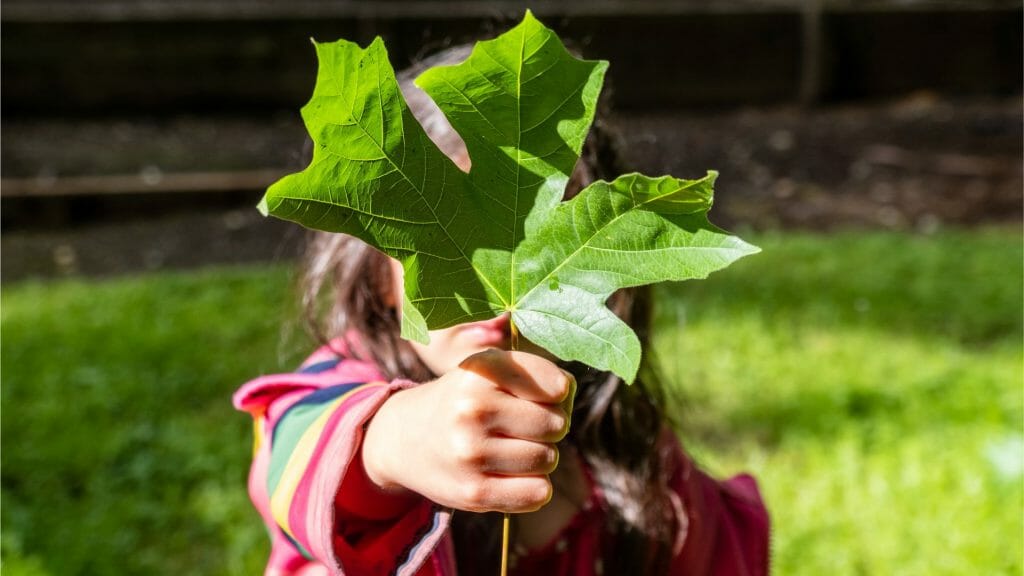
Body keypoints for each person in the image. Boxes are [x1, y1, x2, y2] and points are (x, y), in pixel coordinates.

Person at [234, 45, 769, 576]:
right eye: (449, 243)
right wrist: (392, 444)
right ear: (379, 275)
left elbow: (718, 549)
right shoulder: (339, 387)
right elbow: (292, 455)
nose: (489, 281)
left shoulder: (627, 444)